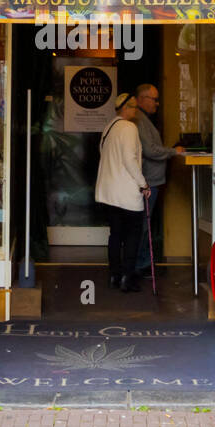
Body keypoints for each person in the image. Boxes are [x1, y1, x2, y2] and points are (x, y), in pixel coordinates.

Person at [95, 93, 150, 293]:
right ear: (124, 108)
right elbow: (129, 159)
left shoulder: (109, 127)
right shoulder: (129, 127)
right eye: (133, 106)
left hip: (108, 192)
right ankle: (127, 277)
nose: (136, 110)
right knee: (133, 235)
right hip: (126, 193)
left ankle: (114, 275)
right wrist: (143, 183)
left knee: (115, 235)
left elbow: (103, 153)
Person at [132, 83, 184, 273]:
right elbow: (150, 150)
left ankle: (144, 262)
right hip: (148, 181)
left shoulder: (143, 119)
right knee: (144, 223)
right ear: (141, 99)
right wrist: (173, 151)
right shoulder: (139, 119)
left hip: (152, 179)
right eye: (154, 99)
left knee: (145, 222)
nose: (157, 103)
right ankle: (140, 264)